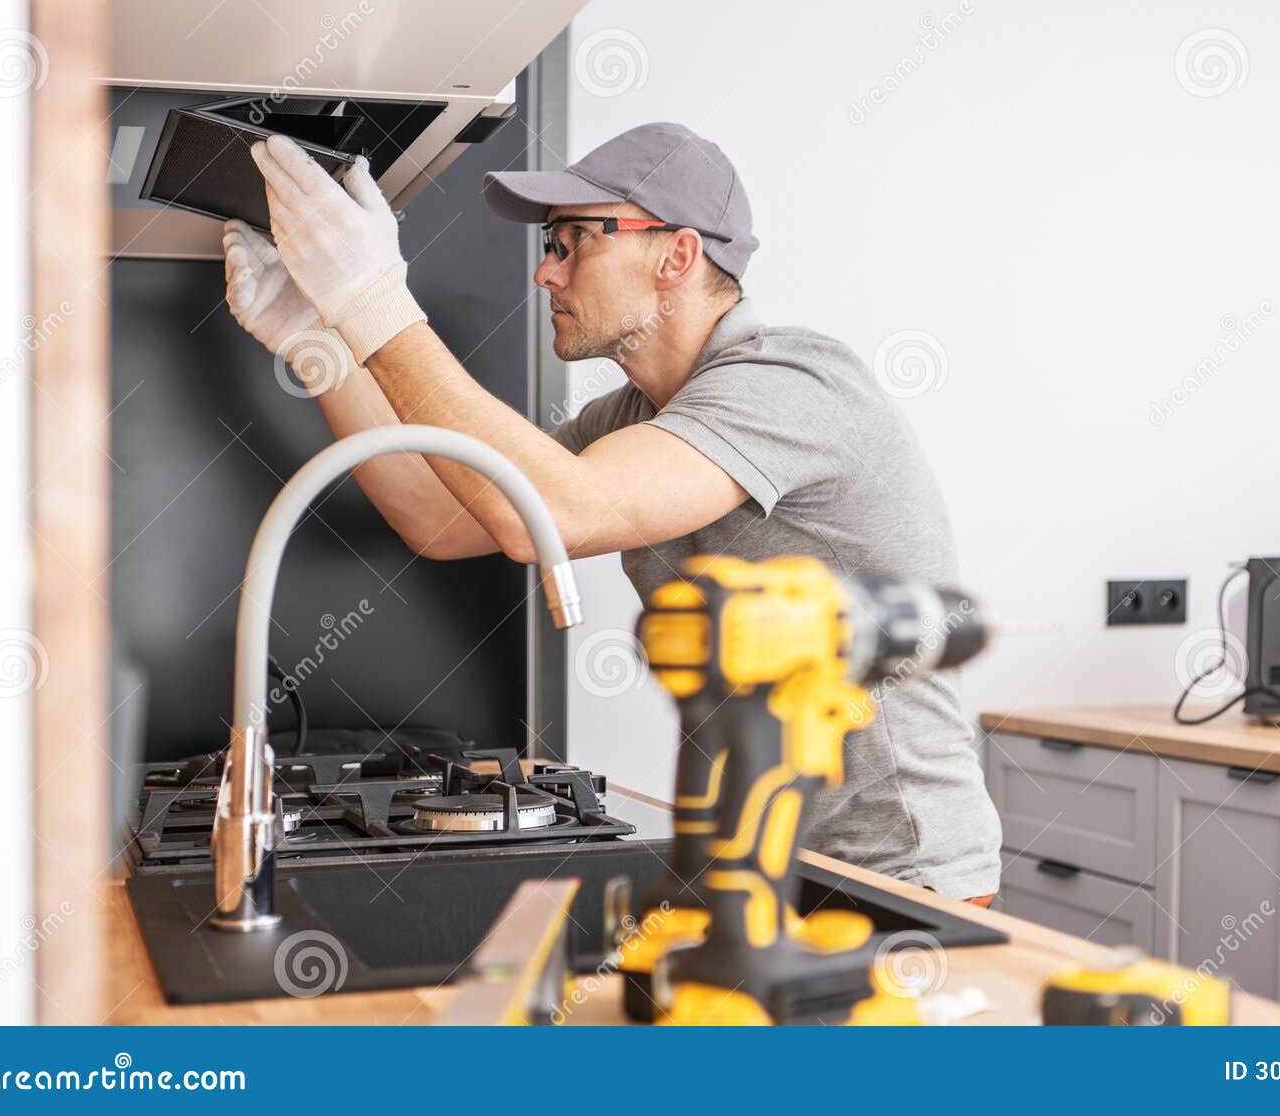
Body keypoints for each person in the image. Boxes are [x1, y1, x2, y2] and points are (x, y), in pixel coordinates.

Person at [223, 122, 1002, 904]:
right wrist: (319, 343)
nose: (545, 274)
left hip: (897, 874)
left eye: (571, 243)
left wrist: (372, 305)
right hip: (758, 867)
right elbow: (445, 516)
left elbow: (554, 513)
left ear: (678, 256)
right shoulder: (632, 418)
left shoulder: (794, 379)